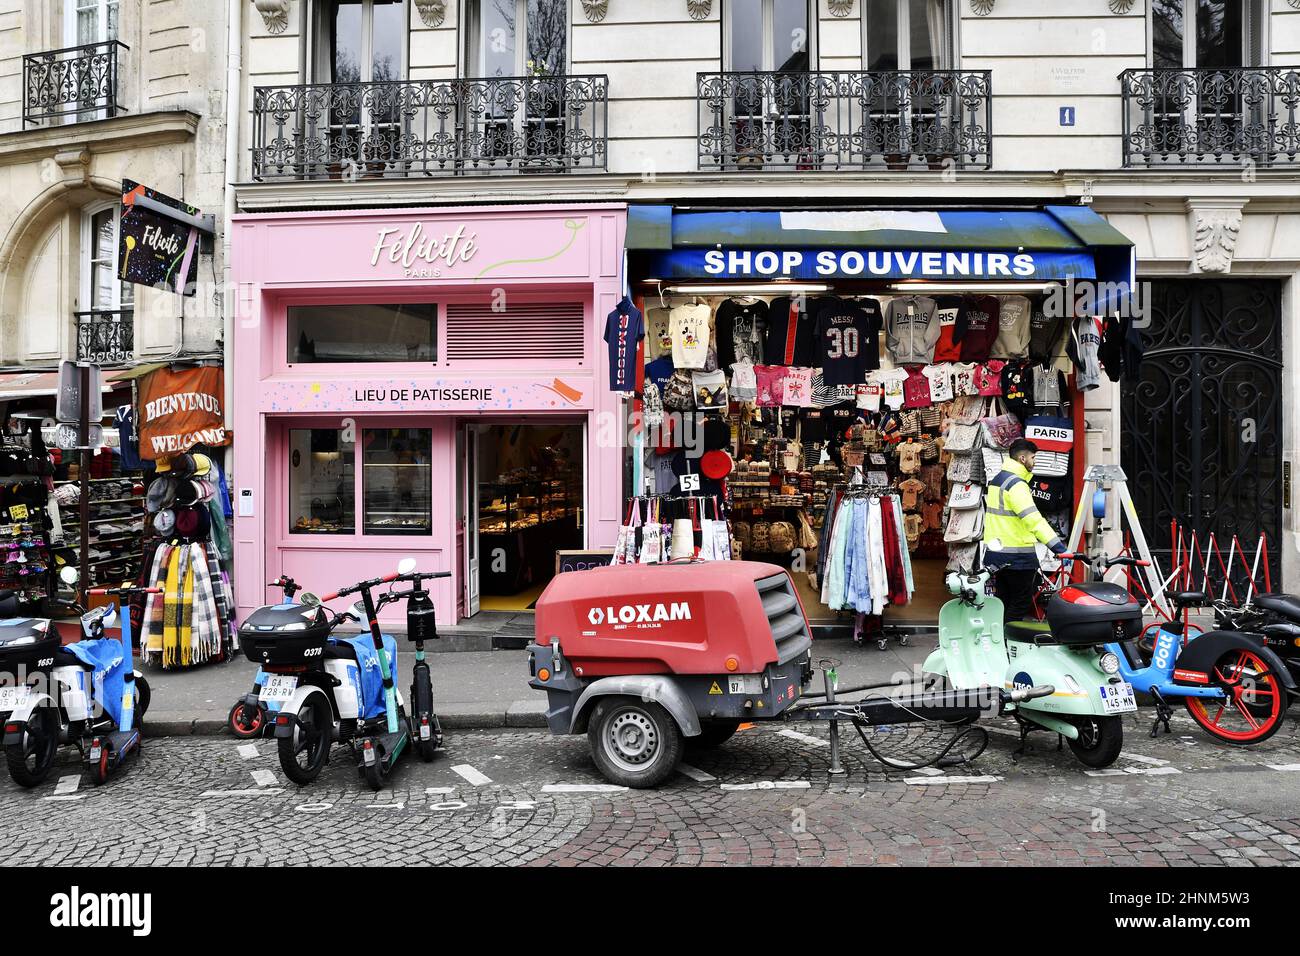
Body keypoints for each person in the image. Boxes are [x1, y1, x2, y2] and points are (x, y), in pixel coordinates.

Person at [982, 438, 1067, 620]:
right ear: (1022, 458)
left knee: (1003, 601)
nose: (1035, 462)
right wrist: (1059, 548)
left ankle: (1000, 642)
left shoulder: (998, 480)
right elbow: (1034, 520)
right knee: (1020, 603)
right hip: (1017, 557)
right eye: (1033, 458)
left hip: (997, 554)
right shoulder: (1017, 485)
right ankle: (1009, 642)